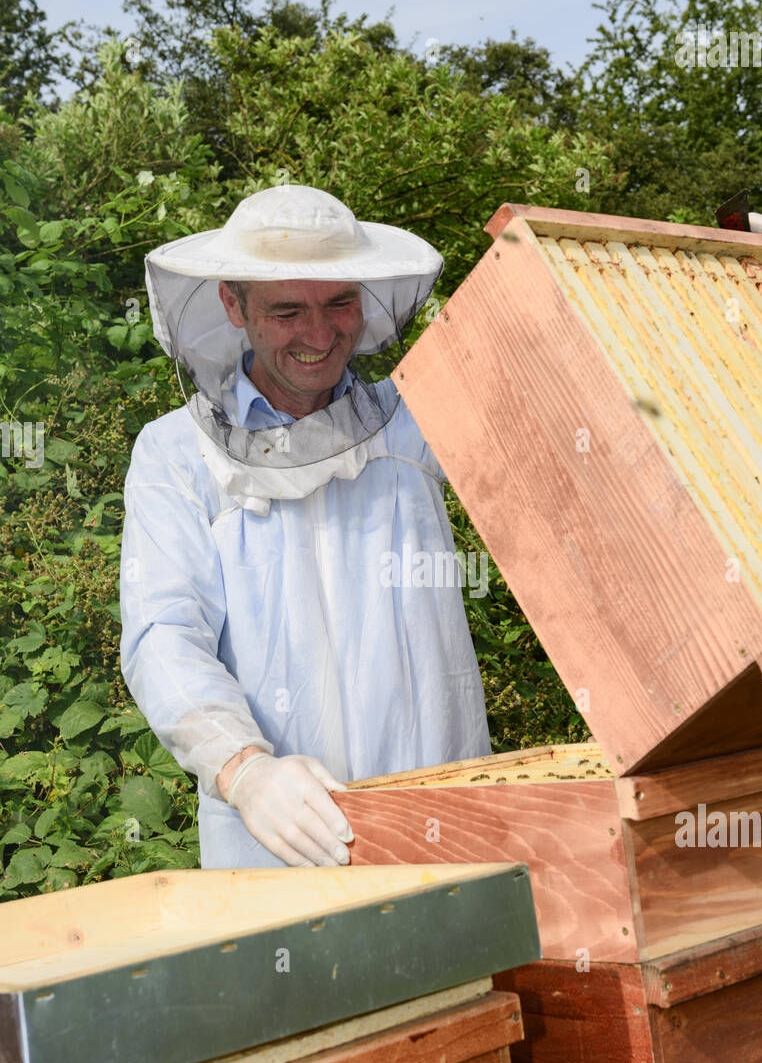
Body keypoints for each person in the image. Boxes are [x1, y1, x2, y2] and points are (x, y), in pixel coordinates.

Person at [120, 185, 492, 870]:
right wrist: (243, 769)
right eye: (287, 311)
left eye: (338, 304)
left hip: (441, 817)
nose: (320, 337)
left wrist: (750, 291)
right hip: (276, 843)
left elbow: (571, 406)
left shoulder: (421, 417)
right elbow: (162, 634)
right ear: (234, 305)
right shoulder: (175, 453)